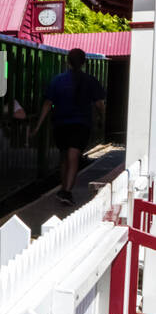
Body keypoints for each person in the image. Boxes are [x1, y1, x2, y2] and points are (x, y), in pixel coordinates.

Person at [30, 48, 105, 204]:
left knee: (65, 157)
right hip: (81, 124)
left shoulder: (58, 80)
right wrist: (102, 119)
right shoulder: (91, 81)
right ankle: (66, 191)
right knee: (73, 156)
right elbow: (99, 104)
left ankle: (64, 189)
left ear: (67, 61)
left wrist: (38, 126)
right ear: (84, 62)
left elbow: (47, 103)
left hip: (61, 124)